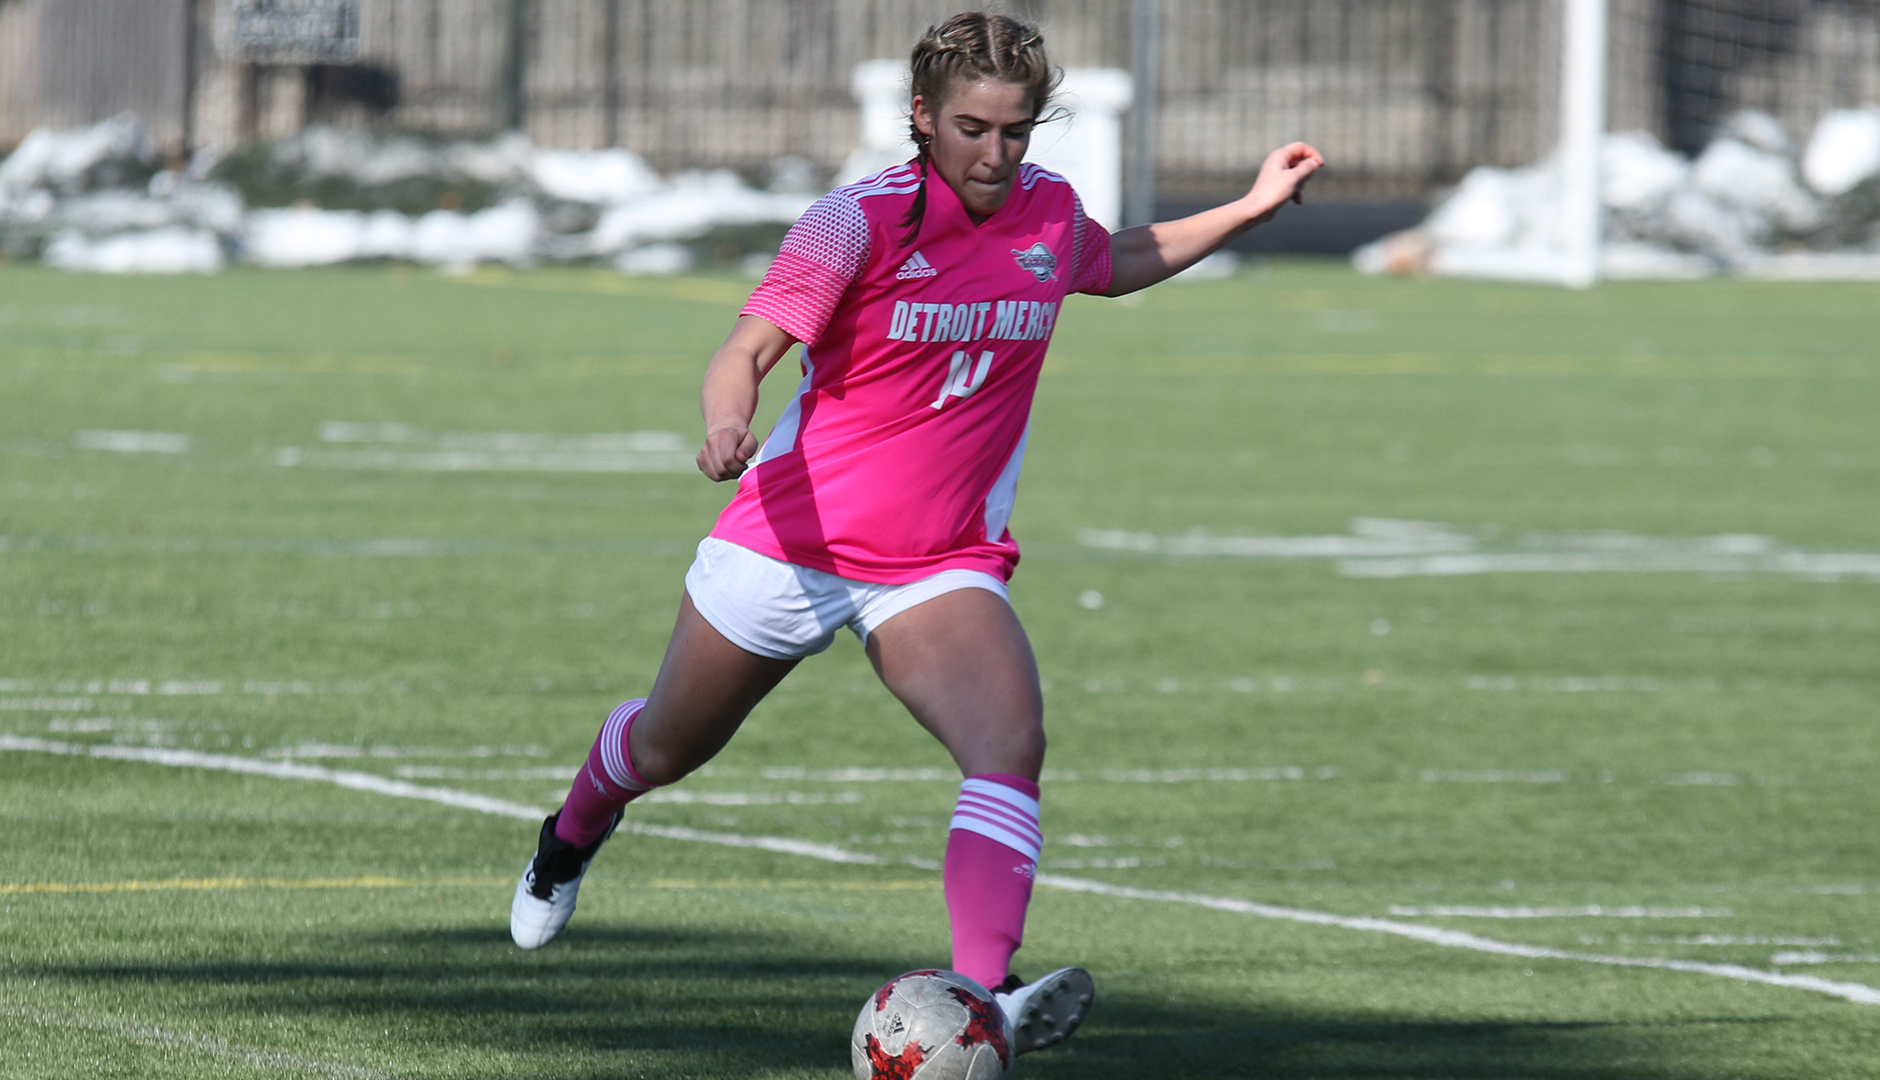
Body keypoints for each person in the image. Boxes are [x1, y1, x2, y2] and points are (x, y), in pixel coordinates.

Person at [509, 10, 1322, 1059]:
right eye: (973, 128)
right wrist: (724, 422)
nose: (995, 153)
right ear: (922, 119)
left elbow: (1113, 261)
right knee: (668, 744)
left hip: (936, 564)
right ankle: (568, 836)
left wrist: (1251, 207)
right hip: (790, 543)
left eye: (1016, 131)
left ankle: (987, 995)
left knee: (1007, 743)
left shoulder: (1046, 213)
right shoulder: (856, 223)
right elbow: (747, 349)